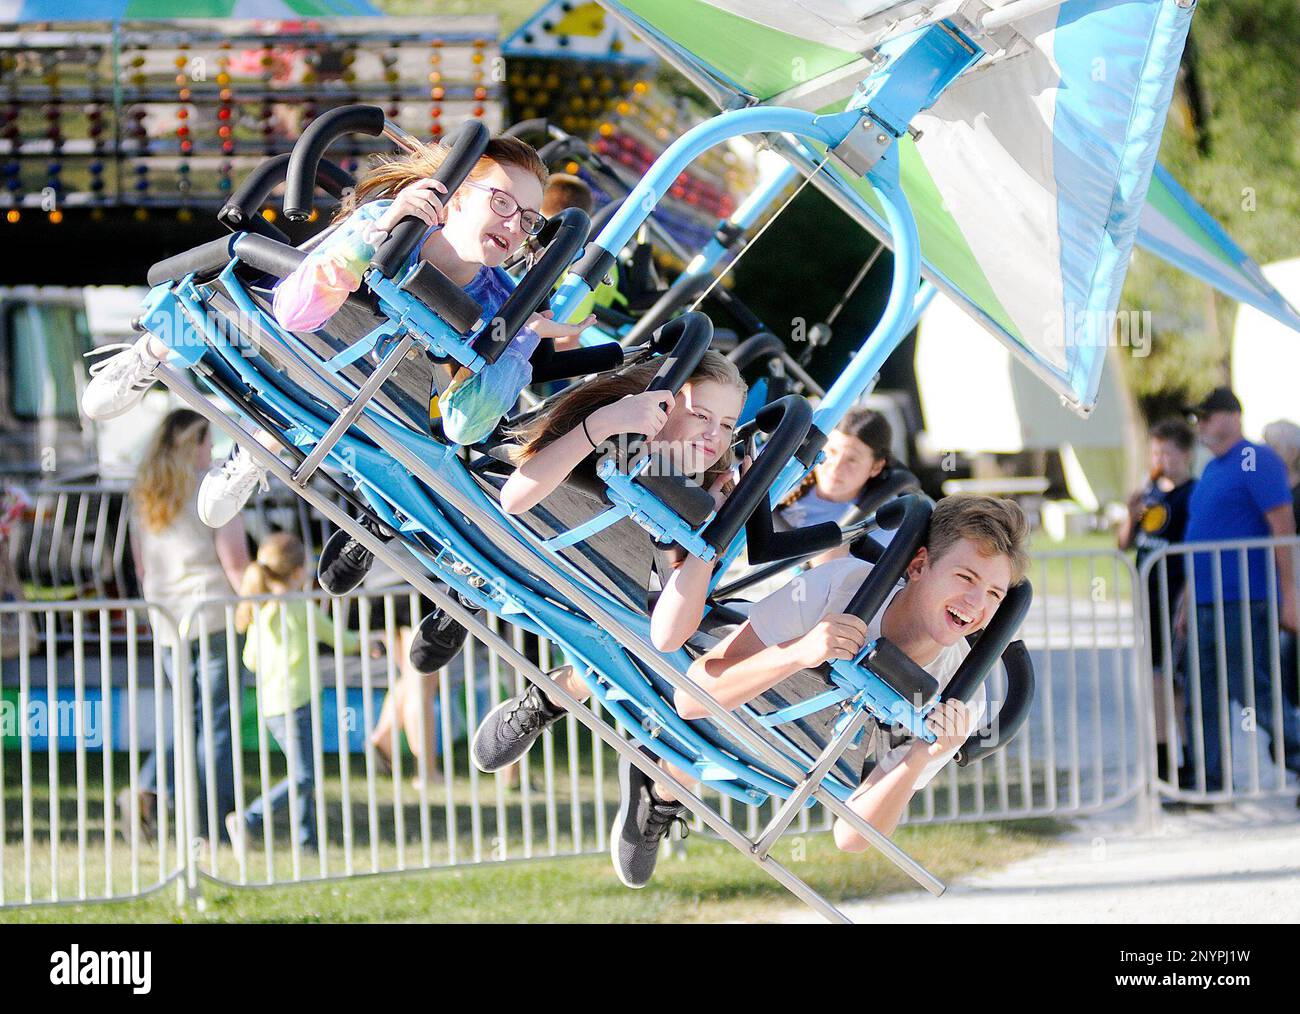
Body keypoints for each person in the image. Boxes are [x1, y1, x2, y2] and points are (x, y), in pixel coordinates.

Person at [79, 133, 594, 526]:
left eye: (527, 219)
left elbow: (466, 427)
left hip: (359, 388)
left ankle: (263, 446)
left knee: (362, 398)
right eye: (501, 203)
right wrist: (376, 235)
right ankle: (147, 351)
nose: (512, 225)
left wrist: (521, 339)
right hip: (283, 324)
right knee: (225, 281)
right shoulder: (391, 223)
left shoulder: (505, 303)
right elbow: (296, 312)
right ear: (457, 195)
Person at [609, 494, 1029, 889]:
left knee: (754, 743)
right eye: (965, 577)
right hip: (737, 698)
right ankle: (647, 770)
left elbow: (852, 836)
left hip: (804, 749)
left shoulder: (958, 693)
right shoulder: (839, 584)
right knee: (656, 661)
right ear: (918, 566)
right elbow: (691, 697)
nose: (976, 602)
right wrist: (801, 652)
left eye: (993, 594)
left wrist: (923, 754)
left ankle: (661, 785)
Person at [469, 351, 747, 773]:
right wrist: (605, 423)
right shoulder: (611, 441)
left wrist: (716, 531)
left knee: (651, 653)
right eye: (700, 415)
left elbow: (669, 635)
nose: (713, 435)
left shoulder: (699, 500)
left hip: (604, 603)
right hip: (512, 544)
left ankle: (551, 699)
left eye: (727, 425)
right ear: (663, 403)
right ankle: (459, 606)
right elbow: (514, 499)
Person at [124, 409, 249, 844]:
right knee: (214, 724)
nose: (211, 450)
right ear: (192, 444)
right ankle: (212, 822)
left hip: (167, 619)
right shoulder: (212, 491)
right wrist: (257, 602)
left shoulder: (142, 495)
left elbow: (141, 567)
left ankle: (149, 785)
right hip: (213, 614)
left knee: (185, 718)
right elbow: (235, 562)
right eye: (207, 441)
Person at [225, 532, 377, 859]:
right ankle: (249, 818)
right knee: (305, 776)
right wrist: (365, 644)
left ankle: (307, 844)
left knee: (301, 775)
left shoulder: (261, 607)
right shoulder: (296, 605)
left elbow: (249, 659)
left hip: (272, 704)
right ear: (297, 571)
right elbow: (334, 636)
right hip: (296, 701)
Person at [1180, 387, 1300, 794]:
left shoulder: (1257, 459)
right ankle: (1209, 782)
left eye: (1208, 416)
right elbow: (1200, 539)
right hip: (1205, 602)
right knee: (1203, 693)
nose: (1201, 425)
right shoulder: (1213, 469)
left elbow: (1282, 528)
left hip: (1244, 600)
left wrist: (1290, 593)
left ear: (1232, 416)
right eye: (1199, 418)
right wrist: (1184, 603)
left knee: (1257, 691)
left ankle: (1298, 757)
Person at [1117, 418, 1197, 784]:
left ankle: (1184, 761)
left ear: (1186, 454)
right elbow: (1124, 544)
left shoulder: (1191, 494)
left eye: (1167, 452)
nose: (1160, 459)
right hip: (1149, 599)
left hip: (1175, 597)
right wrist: (1129, 515)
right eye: (1155, 452)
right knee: (1155, 680)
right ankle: (1164, 762)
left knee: (1172, 682)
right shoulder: (1151, 493)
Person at [776, 407, 893, 566]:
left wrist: (833, 569)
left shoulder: (883, 521)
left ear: (876, 467)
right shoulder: (786, 475)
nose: (836, 467)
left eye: (852, 460)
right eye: (832, 451)